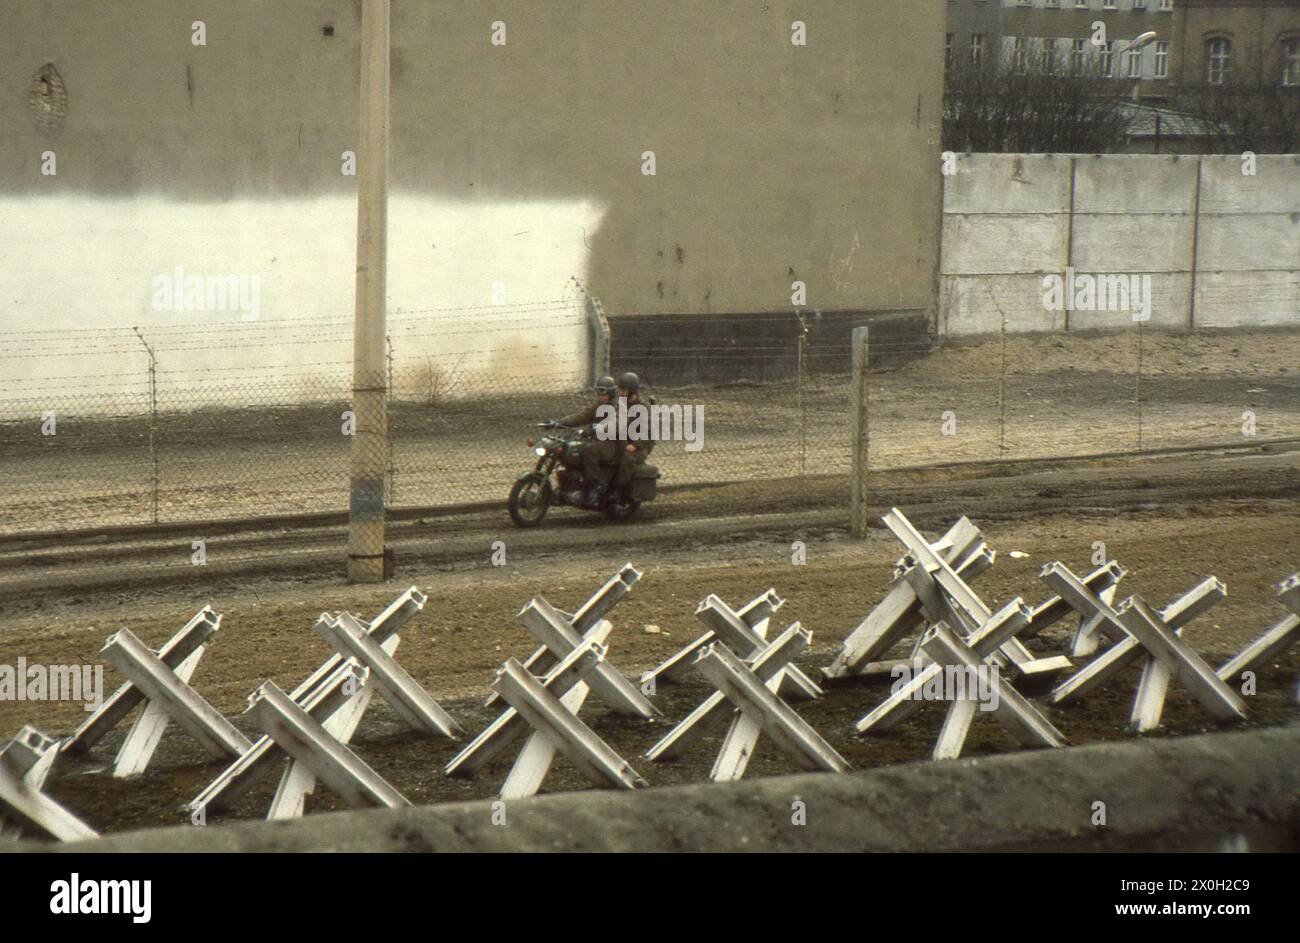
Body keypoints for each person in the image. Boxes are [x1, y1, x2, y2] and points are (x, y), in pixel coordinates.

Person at [556, 376, 619, 507]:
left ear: (611, 393)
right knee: (572, 448)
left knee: (590, 450)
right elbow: (581, 417)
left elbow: (616, 424)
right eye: (599, 393)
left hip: (611, 444)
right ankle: (569, 485)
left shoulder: (617, 407)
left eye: (603, 393)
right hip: (598, 440)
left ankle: (593, 489)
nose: (600, 396)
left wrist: (597, 429)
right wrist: (558, 423)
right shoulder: (599, 406)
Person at [613, 371, 654, 493]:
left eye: (624, 391)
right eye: (620, 390)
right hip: (624, 442)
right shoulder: (622, 405)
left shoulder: (642, 409)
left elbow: (647, 431)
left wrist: (635, 445)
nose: (621, 393)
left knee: (627, 458)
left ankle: (618, 489)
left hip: (640, 447)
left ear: (632, 392)